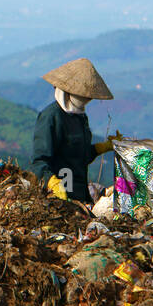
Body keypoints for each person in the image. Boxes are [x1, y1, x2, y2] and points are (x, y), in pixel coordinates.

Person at [30, 57, 117, 202]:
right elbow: (38, 162)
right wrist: (51, 181)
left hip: (80, 193)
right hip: (60, 197)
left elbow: (78, 156)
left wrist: (101, 148)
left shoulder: (79, 117)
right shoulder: (51, 117)